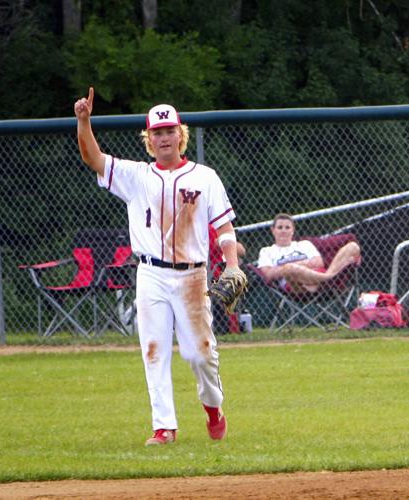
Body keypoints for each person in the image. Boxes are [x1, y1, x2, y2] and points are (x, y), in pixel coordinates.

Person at [75, 87, 241, 446]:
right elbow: (94, 158)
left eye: (169, 131)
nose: (164, 137)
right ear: (149, 139)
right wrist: (84, 121)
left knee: (200, 355)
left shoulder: (205, 177)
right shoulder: (136, 176)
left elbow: (225, 228)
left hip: (193, 276)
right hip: (150, 273)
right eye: (157, 132)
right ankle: (164, 427)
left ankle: (213, 408)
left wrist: (232, 264)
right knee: (154, 350)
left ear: (180, 135)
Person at [256, 213, 360, 293]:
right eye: (280, 227)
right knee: (289, 269)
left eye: (287, 227)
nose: (284, 231)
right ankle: (328, 276)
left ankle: (325, 277)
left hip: (318, 277)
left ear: (293, 230)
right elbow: (268, 274)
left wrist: (284, 267)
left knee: (353, 246)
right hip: (295, 285)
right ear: (273, 230)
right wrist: (296, 266)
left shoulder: (304, 244)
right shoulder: (266, 251)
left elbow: (319, 263)